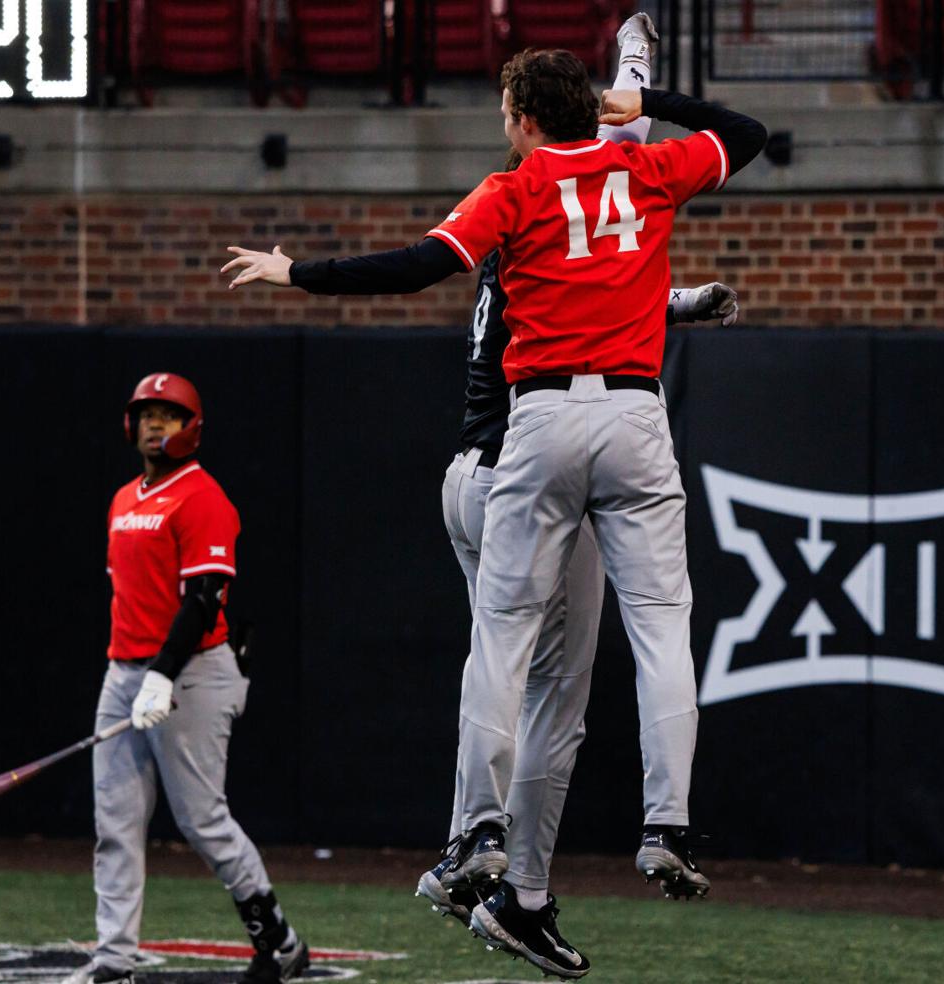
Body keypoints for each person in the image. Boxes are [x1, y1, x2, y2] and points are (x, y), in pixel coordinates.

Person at [220, 35, 765, 957]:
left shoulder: (511, 194)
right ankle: (665, 824)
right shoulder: (650, 169)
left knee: (502, 645)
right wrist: (647, 103)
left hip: (535, 422)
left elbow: (417, 265)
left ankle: (476, 832)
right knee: (662, 629)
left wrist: (296, 272)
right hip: (635, 415)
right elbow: (744, 133)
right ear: (594, 110)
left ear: (520, 120)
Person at [63, 373, 308, 984]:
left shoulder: (202, 498)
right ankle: (113, 961)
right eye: (146, 412)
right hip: (125, 673)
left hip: (193, 674)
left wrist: (162, 676)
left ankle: (279, 942)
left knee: (201, 820)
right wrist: (137, 675)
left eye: (168, 414)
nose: (154, 423)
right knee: (114, 825)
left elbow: (202, 599)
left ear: (190, 427)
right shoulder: (123, 499)